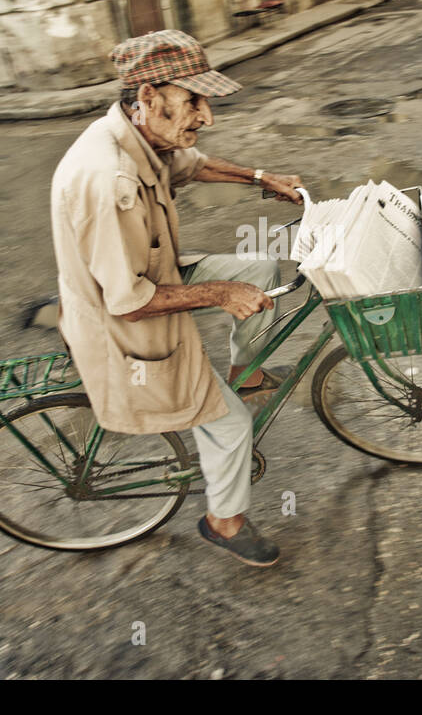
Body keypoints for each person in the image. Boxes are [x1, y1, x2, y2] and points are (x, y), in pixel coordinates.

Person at [50, 30, 304, 568]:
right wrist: (218, 294)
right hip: (125, 321)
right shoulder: (109, 179)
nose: (205, 116)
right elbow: (127, 300)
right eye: (193, 101)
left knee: (260, 265)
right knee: (231, 424)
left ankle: (246, 372)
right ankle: (224, 522)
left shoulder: (141, 136)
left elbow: (193, 164)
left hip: (153, 273)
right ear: (147, 99)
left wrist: (262, 178)